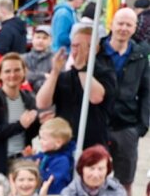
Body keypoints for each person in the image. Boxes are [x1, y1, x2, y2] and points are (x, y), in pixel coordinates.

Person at [37, 22, 115, 153]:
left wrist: (82, 68)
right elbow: (42, 103)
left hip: (93, 144)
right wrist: (55, 72)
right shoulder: (64, 76)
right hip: (64, 144)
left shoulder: (106, 73)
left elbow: (96, 97)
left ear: (95, 49)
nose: (79, 51)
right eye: (75, 46)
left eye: (85, 46)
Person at [99, 7, 150, 196]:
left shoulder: (140, 55)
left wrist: (142, 125)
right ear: (111, 24)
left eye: (129, 25)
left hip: (127, 125)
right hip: (98, 124)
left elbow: (146, 91)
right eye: (120, 23)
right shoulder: (97, 50)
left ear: (135, 28)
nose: (123, 28)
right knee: (94, 177)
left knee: (125, 182)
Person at [0, 53, 40, 175]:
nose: (12, 75)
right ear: (0, 75)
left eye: (17, 70)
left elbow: (30, 132)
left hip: (23, 160)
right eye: (7, 71)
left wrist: (39, 122)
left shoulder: (28, 97)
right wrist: (19, 126)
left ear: (24, 72)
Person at [37, 116, 75, 193]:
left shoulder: (62, 161)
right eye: (40, 138)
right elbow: (34, 158)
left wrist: (36, 171)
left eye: (44, 139)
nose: (40, 141)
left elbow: (51, 179)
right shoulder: (46, 155)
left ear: (58, 143)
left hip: (55, 195)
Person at [24, 24, 55, 93]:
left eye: (44, 38)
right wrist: (44, 75)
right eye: (38, 37)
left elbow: (55, 79)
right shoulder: (24, 58)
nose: (40, 41)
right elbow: (24, 75)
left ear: (51, 41)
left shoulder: (55, 59)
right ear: (33, 39)